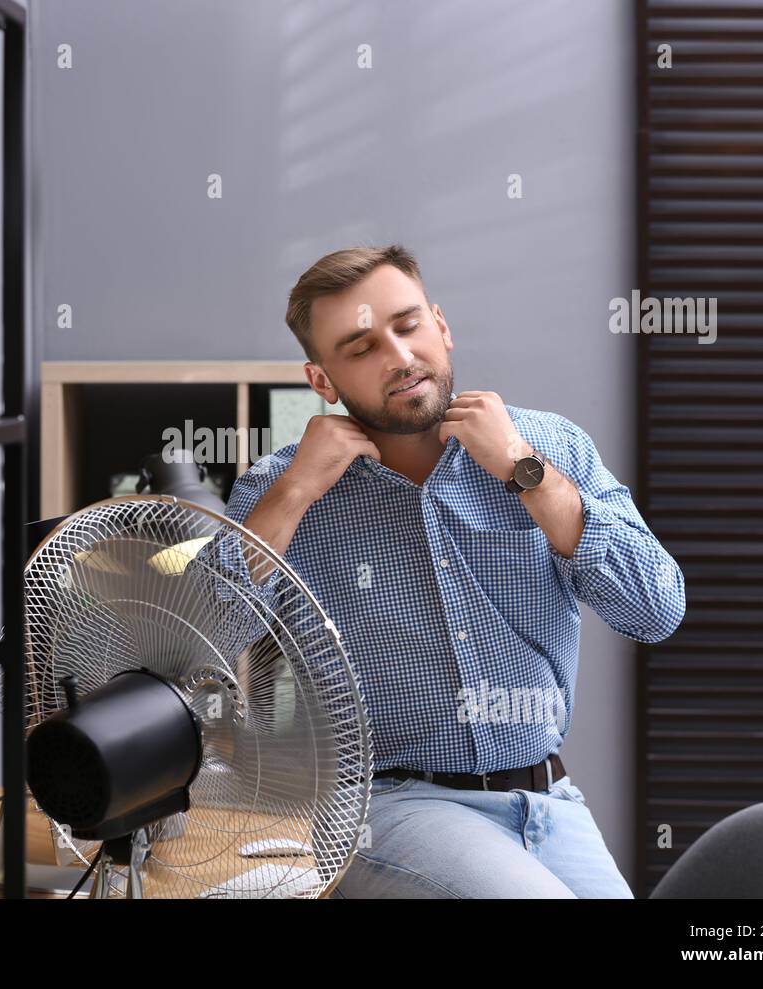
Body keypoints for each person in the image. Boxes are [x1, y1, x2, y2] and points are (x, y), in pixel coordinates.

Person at [201, 244, 685, 898]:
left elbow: (655, 609)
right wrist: (293, 494)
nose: (399, 358)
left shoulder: (551, 447)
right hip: (391, 808)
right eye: (361, 347)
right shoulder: (280, 486)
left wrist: (524, 470)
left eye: (407, 326)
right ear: (322, 382)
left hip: (550, 803)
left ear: (441, 325)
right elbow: (199, 641)